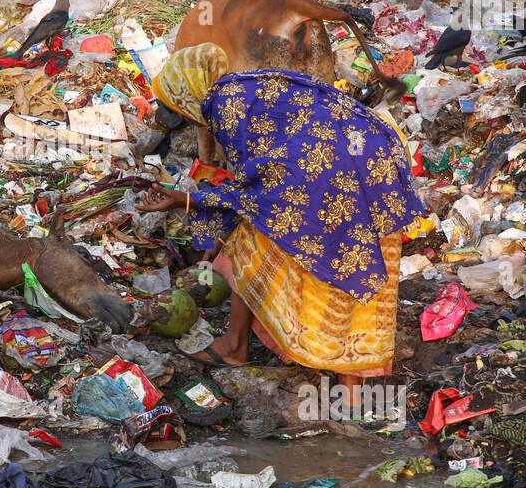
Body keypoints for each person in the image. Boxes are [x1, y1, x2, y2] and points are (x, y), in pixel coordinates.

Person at [139, 44, 424, 399]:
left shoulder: (226, 106)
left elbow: (251, 193)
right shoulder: (243, 84)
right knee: (364, 259)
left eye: (174, 104)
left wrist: (185, 201)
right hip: (376, 158)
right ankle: (353, 390)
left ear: (187, 94)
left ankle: (235, 345)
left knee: (252, 239)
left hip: (335, 171)